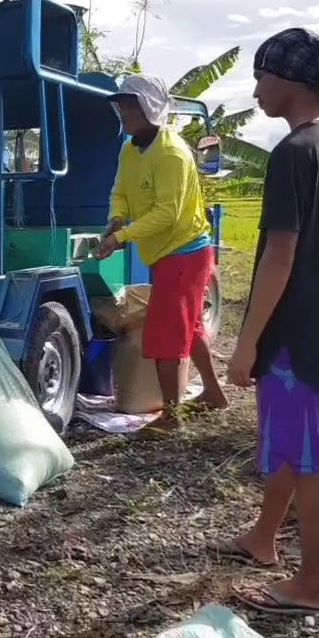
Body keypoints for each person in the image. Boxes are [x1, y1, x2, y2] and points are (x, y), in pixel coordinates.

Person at [214, 28, 319, 616]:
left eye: (261, 77)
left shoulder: (293, 152)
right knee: (291, 444)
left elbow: (279, 256)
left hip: (295, 338)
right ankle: (263, 537)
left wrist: (246, 344)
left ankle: (312, 585)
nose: (256, 90)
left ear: (289, 80)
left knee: (310, 459)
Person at [95, 74, 228, 426]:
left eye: (129, 105)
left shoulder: (171, 153)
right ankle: (214, 393)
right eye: (120, 104)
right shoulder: (129, 146)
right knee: (190, 326)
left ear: (149, 109)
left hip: (185, 252)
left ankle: (172, 416)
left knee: (166, 333)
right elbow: (120, 190)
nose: (122, 111)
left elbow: (167, 213)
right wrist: (116, 219)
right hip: (167, 254)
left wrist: (121, 239)